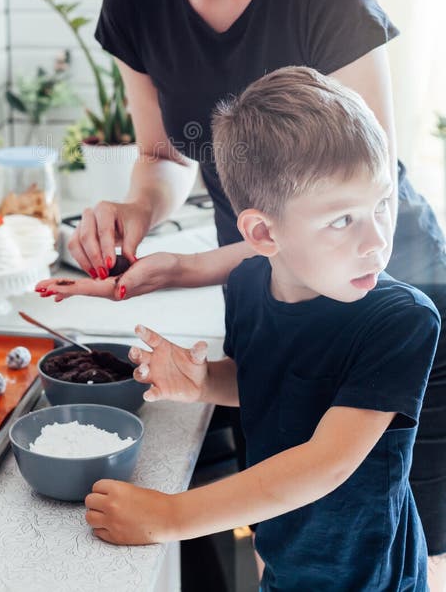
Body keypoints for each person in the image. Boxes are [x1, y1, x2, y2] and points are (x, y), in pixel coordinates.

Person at [38, 0, 446, 586]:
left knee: (397, 541)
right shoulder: (135, 4)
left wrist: (206, 262)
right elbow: (164, 155)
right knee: (295, 537)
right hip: (268, 285)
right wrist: (139, 212)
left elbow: (366, 191)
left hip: (370, 276)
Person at [83, 67, 440, 591]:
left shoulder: (401, 320)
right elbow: (268, 380)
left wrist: (171, 517)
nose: (375, 240)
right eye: (342, 220)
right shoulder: (249, 286)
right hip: (286, 556)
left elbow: (325, 464)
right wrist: (205, 382)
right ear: (262, 233)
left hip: (367, 576)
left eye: (382, 204)